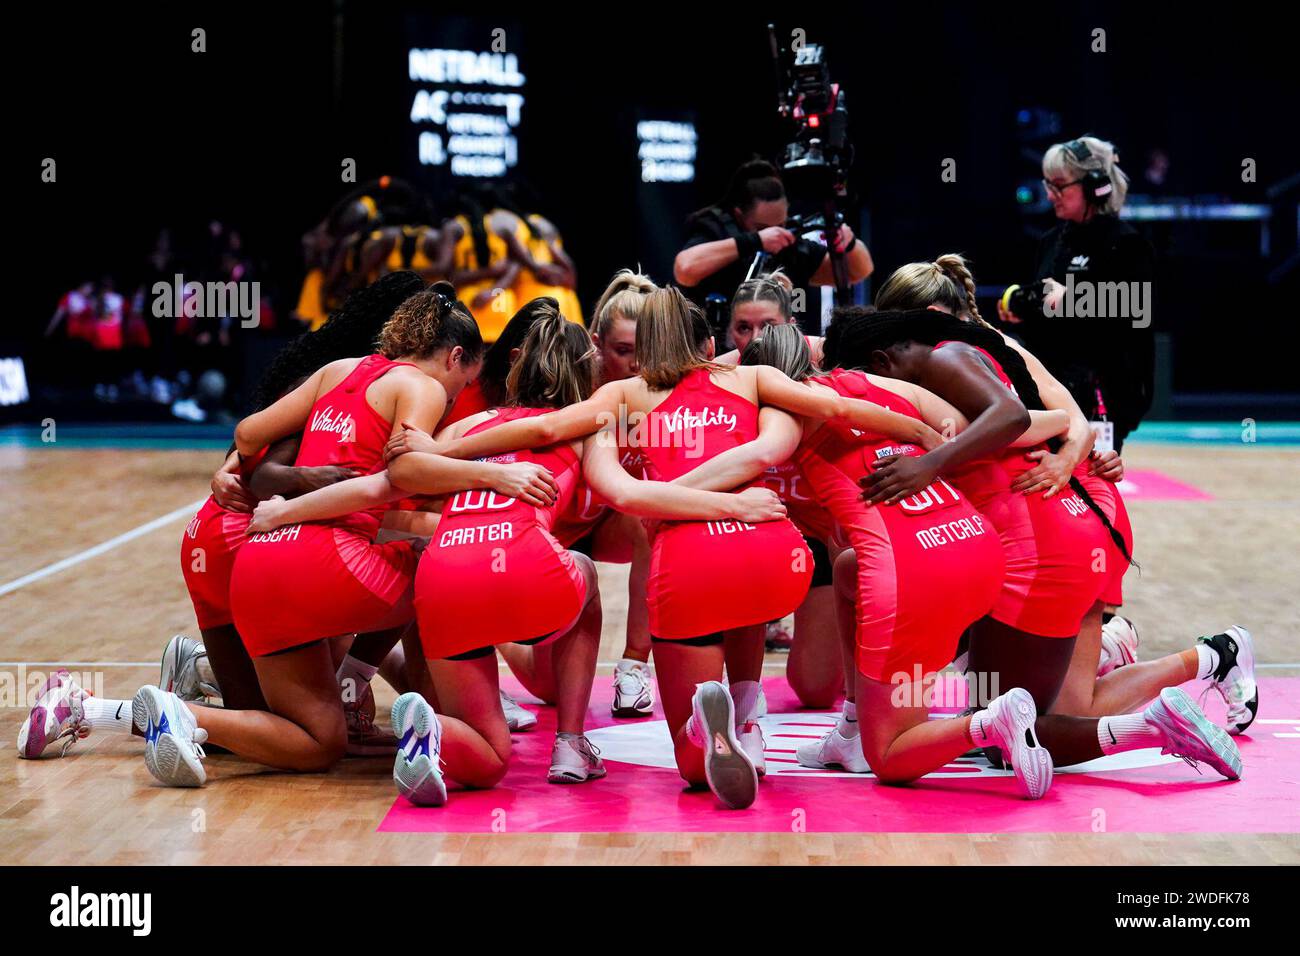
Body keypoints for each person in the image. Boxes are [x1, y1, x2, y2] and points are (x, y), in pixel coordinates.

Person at [407, 285, 946, 809]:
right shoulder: (749, 375)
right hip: (776, 556)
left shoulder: (620, 398)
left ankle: (696, 725)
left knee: (693, 767)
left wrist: (450, 451)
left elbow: (554, 437)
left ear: (638, 354)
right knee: (747, 601)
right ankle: (745, 717)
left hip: (686, 566)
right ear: (710, 345)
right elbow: (836, 409)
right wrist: (919, 434)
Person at [123, 283, 539, 787]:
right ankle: (445, 722)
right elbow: (406, 471)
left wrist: (252, 473)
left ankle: (183, 715)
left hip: (258, 564)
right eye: (459, 385)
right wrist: (494, 475)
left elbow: (250, 433)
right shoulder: (423, 386)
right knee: (445, 564)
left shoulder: (338, 370)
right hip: (324, 559)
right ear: (454, 357)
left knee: (320, 743)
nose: (451, 399)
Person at [17, 272, 435, 758]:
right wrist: (317, 480)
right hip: (250, 543)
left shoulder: (343, 375)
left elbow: (248, 450)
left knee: (244, 733)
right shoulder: (361, 383)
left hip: (214, 538)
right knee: (312, 725)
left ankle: (108, 704)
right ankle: (345, 699)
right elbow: (259, 474)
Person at [828, 308, 1242, 781]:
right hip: (1067, 520)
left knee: (1007, 736)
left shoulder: (946, 359)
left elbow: (1013, 416)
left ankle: (1152, 725)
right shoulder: (981, 350)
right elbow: (1059, 419)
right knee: (1022, 703)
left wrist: (930, 464)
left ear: (883, 359)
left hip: (1037, 539)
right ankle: (1176, 654)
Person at [999, 136, 1156, 451]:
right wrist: (1021, 307)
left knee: (1092, 486)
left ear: (1095, 185)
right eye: (1048, 184)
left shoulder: (1126, 243)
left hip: (1101, 391)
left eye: (1059, 185)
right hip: (1048, 388)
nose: (1050, 194)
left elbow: (1137, 311)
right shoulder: (1049, 241)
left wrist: (1070, 298)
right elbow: (1046, 303)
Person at [673, 159, 872, 335]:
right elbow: (685, 268)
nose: (776, 235)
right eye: (763, 228)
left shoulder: (791, 245)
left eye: (781, 226)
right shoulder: (715, 229)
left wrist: (849, 242)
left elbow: (859, 271)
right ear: (739, 215)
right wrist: (756, 240)